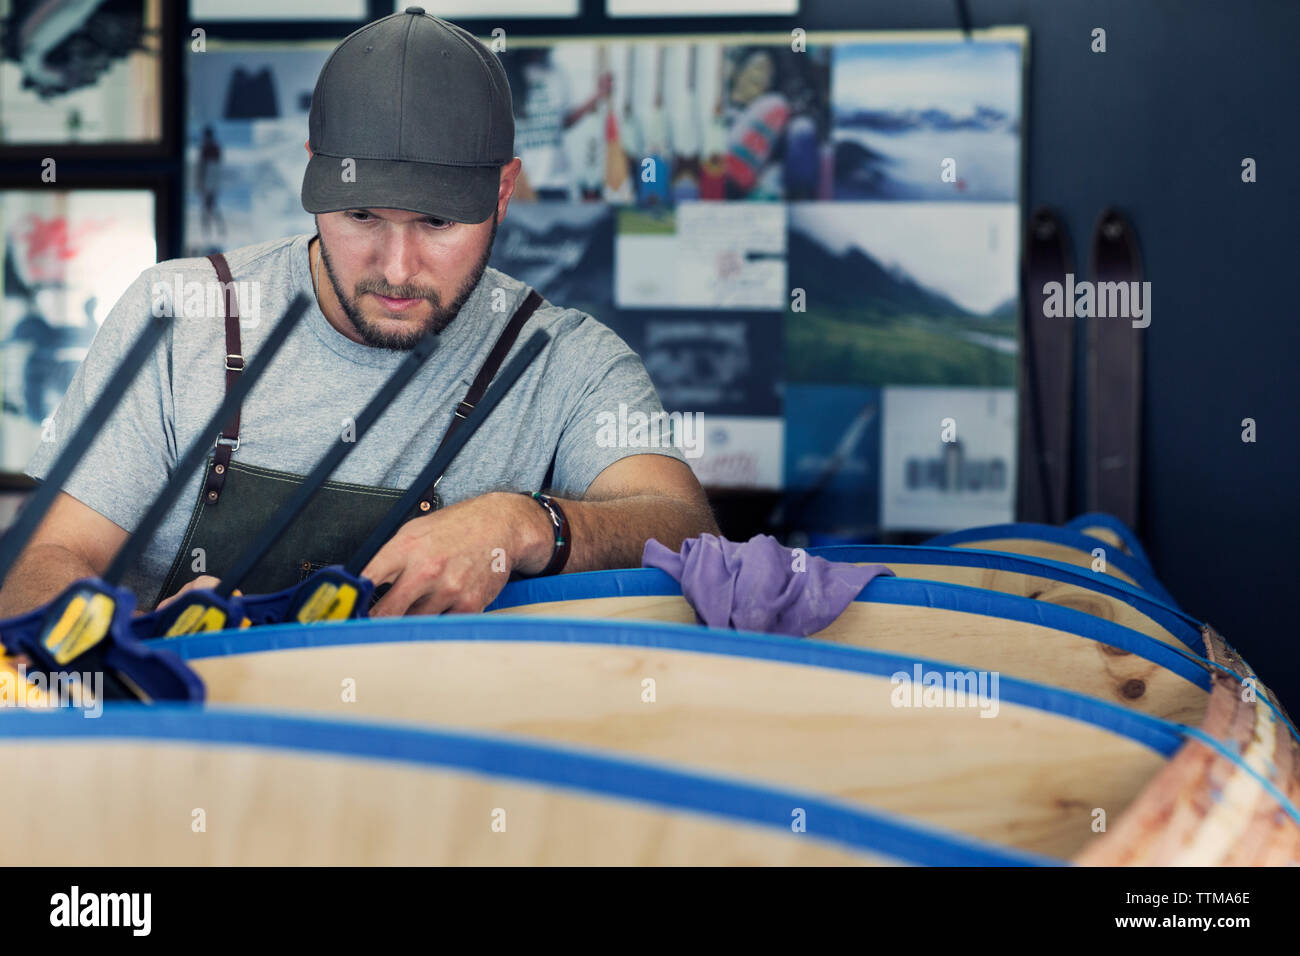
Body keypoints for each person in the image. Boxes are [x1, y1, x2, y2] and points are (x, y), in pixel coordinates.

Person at [0, 8, 716, 620]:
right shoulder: (179, 318)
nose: (397, 268)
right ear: (313, 167)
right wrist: (118, 635)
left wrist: (524, 521)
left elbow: (687, 531)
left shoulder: (563, 362)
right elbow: (43, 559)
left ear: (502, 192)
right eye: (361, 215)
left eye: (437, 223)